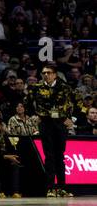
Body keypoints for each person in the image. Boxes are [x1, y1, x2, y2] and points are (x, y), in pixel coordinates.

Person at [28, 63, 75, 196]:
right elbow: (26, 102)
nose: (46, 75)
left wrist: (71, 118)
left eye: (49, 72)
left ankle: (62, 188)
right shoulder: (36, 88)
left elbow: (76, 102)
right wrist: (34, 115)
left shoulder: (64, 87)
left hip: (60, 124)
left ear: (55, 74)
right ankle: (50, 188)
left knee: (60, 156)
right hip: (45, 123)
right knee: (49, 156)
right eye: (44, 73)